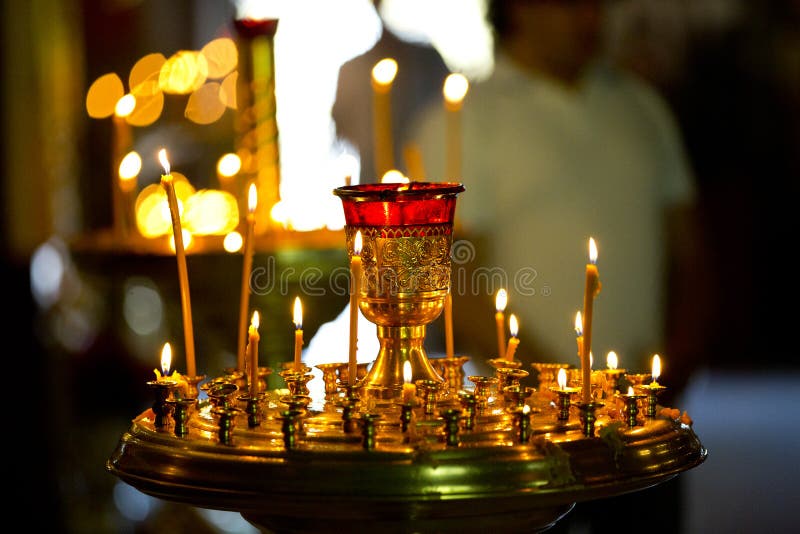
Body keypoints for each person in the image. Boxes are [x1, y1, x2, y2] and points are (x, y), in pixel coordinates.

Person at [407, 0, 707, 392]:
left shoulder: (642, 107)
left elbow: (687, 248)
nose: (590, 18)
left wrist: (678, 357)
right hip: (530, 407)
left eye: (598, 5)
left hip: (643, 397)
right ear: (519, 9)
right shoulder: (463, 120)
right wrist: (558, 390)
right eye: (569, 5)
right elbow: (456, 280)